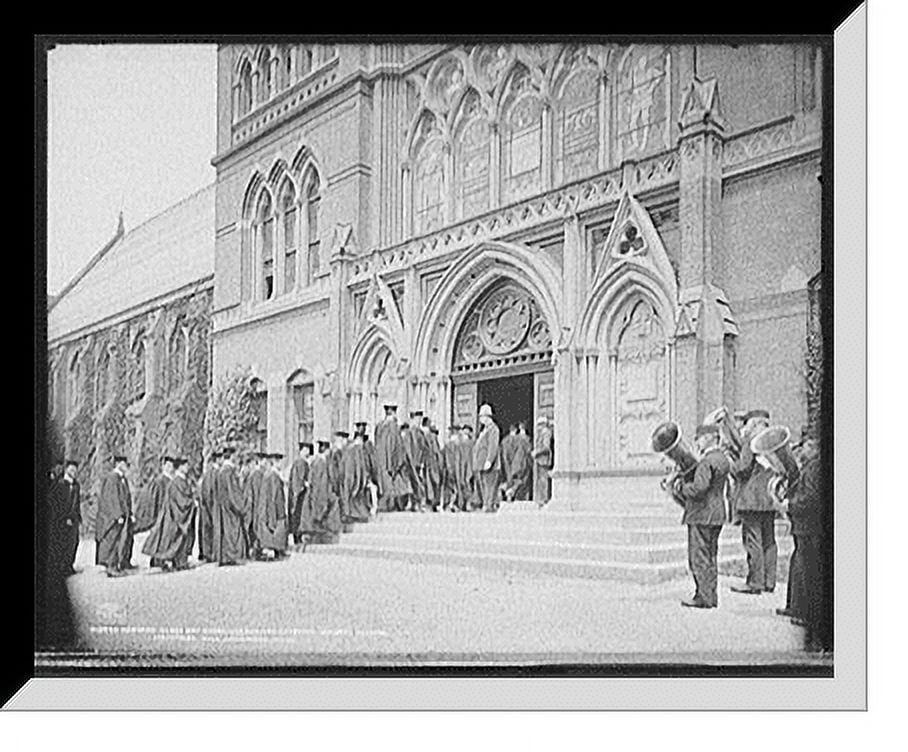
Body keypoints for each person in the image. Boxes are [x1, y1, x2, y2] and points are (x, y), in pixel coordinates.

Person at [731, 409, 795, 594]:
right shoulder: (773, 439)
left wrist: (731, 466)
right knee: (769, 540)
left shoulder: (751, 440)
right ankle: (769, 582)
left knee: (753, 540)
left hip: (751, 499)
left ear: (753, 423)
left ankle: (754, 583)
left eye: (747, 423)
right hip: (768, 498)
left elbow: (743, 468)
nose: (745, 426)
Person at [676, 424, 730, 608]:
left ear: (709, 438)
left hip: (701, 513)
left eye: (699, 437)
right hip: (716, 512)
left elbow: (700, 488)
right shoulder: (722, 458)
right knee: (711, 556)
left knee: (698, 557)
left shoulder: (706, 461)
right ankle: (710, 596)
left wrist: (680, 488)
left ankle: (703, 598)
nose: (697, 441)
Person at [147, 457, 198, 571]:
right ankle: (178, 562)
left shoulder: (179, 481)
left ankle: (179, 561)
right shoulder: (176, 482)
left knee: (178, 539)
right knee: (173, 539)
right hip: (175, 516)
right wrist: (192, 502)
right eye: (185, 466)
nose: (187, 468)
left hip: (175, 514)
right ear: (179, 467)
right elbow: (180, 500)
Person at [96, 455, 135, 577]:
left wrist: (129, 512)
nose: (126, 466)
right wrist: (118, 515)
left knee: (119, 541)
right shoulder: (113, 478)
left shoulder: (122, 479)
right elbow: (112, 498)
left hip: (123, 515)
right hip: (114, 518)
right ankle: (111, 567)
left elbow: (126, 498)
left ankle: (117, 564)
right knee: (112, 541)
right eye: (124, 464)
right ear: (118, 464)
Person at [300, 440, 342, 544]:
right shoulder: (321, 463)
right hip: (319, 494)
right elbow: (321, 484)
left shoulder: (315, 462)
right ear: (326, 450)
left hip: (314, 493)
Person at [211, 446, 247, 566]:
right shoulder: (229, 472)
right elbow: (233, 492)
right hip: (230, 508)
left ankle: (224, 556)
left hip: (222, 506)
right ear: (232, 457)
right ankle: (233, 556)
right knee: (232, 531)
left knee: (224, 531)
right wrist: (242, 506)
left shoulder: (220, 472)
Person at [141, 455, 176, 569]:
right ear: (163, 466)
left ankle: (162, 559)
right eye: (168, 465)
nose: (171, 468)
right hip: (161, 514)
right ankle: (157, 560)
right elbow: (154, 500)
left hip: (169, 515)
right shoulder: (159, 482)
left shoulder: (172, 481)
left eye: (172, 465)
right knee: (160, 537)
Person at [48, 459, 81, 576]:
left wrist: (77, 516)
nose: (74, 472)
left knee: (74, 542)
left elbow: (76, 502)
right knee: (62, 542)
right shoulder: (60, 484)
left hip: (74, 519)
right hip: (61, 520)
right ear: (66, 470)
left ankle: (68, 565)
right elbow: (57, 504)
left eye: (75, 470)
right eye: (71, 469)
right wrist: (65, 517)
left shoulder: (76, 485)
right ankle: (60, 567)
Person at [375, 404, 408, 512]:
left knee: (383, 483)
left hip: (380, 460)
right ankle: (390, 505)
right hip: (390, 461)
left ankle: (384, 504)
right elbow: (394, 445)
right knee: (392, 484)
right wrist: (395, 462)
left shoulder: (379, 426)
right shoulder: (393, 427)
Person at [256, 452, 289, 559]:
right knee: (276, 529)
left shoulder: (270, 475)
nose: (281, 464)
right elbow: (273, 495)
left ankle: (276, 550)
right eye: (279, 462)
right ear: (275, 462)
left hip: (275, 506)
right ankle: (275, 550)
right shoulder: (273, 476)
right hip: (275, 507)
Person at [472, 404, 501, 513]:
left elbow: (492, 446)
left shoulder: (493, 429)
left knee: (490, 485)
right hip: (481, 464)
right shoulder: (484, 429)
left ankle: (489, 506)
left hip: (489, 465)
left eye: (482, 417)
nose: (480, 419)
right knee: (484, 485)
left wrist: (489, 461)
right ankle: (486, 504)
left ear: (488, 417)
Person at [343, 431, 373, 523]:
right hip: (356, 477)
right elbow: (362, 466)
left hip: (351, 477)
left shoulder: (348, 450)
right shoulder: (358, 451)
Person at [288, 442, 312, 548]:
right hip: (300, 494)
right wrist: (304, 485)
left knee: (297, 515)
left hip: (298, 492)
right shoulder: (301, 463)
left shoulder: (300, 462)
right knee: (299, 514)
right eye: (305, 449)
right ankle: (297, 537)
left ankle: (297, 536)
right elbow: (299, 479)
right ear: (301, 451)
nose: (307, 451)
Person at [198, 450, 220, 562]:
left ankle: (207, 552)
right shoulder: (214, 473)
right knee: (211, 529)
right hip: (211, 505)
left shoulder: (207, 474)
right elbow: (209, 492)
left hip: (206, 505)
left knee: (206, 529)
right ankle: (211, 553)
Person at [532, 416, 554, 505]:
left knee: (543, 479)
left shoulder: (546, 433)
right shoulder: (542, 433)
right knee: (540, 479)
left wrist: (536, 452)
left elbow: (546, 447)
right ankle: (541, 498)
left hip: (544, 459)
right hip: (540, 459)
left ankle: (544, 499)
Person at [422, 418, 443, 511]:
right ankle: (432, 502)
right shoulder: (431, 437)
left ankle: (430, 502)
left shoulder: (423, 435)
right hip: (432, 463)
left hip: (427, 463)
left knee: (429, 482)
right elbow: (436, 451)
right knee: (434, 482)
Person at [457, 424, 477, 511]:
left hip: (469, 466)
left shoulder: (472, 443)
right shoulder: (459, 444)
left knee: (468, 484)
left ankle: (468, 502)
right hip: (463, 466)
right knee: (464, 484)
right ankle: (464, 503)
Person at [442, 425, 461, 512]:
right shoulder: (454, 445)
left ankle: (450, 504)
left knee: (450, 487)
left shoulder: (448, 445)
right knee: (453, 487)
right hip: (453, 469)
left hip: (450, 468)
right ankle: (452, 503)